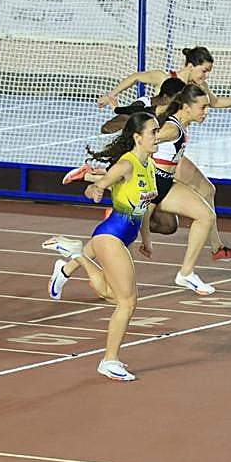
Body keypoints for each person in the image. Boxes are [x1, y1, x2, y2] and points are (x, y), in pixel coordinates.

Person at [88, 46, 231, 261]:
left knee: (177, 217)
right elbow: (136, 77)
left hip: (172, 149)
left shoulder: (199, 88)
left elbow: (215, 103)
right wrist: (112, 96)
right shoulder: (166, 79)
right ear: (190, 65)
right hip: (158, 151)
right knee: (198, 194)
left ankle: (215, 248)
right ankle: (214, 249)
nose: (206, 76)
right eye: (204, 70)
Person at [58, 84, 220, 294]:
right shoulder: (171, 129)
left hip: (165, 183)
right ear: (187, 107)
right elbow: (142, 143)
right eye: (203, 107)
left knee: (204, 216)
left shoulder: (179, 123)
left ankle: (186, 273)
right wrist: (117, 164)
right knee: (121, 233)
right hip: (154, 183)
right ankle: (92, 176)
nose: (207, 111)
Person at [46, 112, 159, 382]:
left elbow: (143, 208)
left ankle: (76, 256)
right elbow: (99, 185)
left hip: (125, 237)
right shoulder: (127, 164)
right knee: (128, 302)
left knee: (110, 294)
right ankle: (110, 360)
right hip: (110, 237)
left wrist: (146, 239)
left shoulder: (150, 166)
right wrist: (94, 190)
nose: (157, 136)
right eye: (153, 132)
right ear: (137, 137)